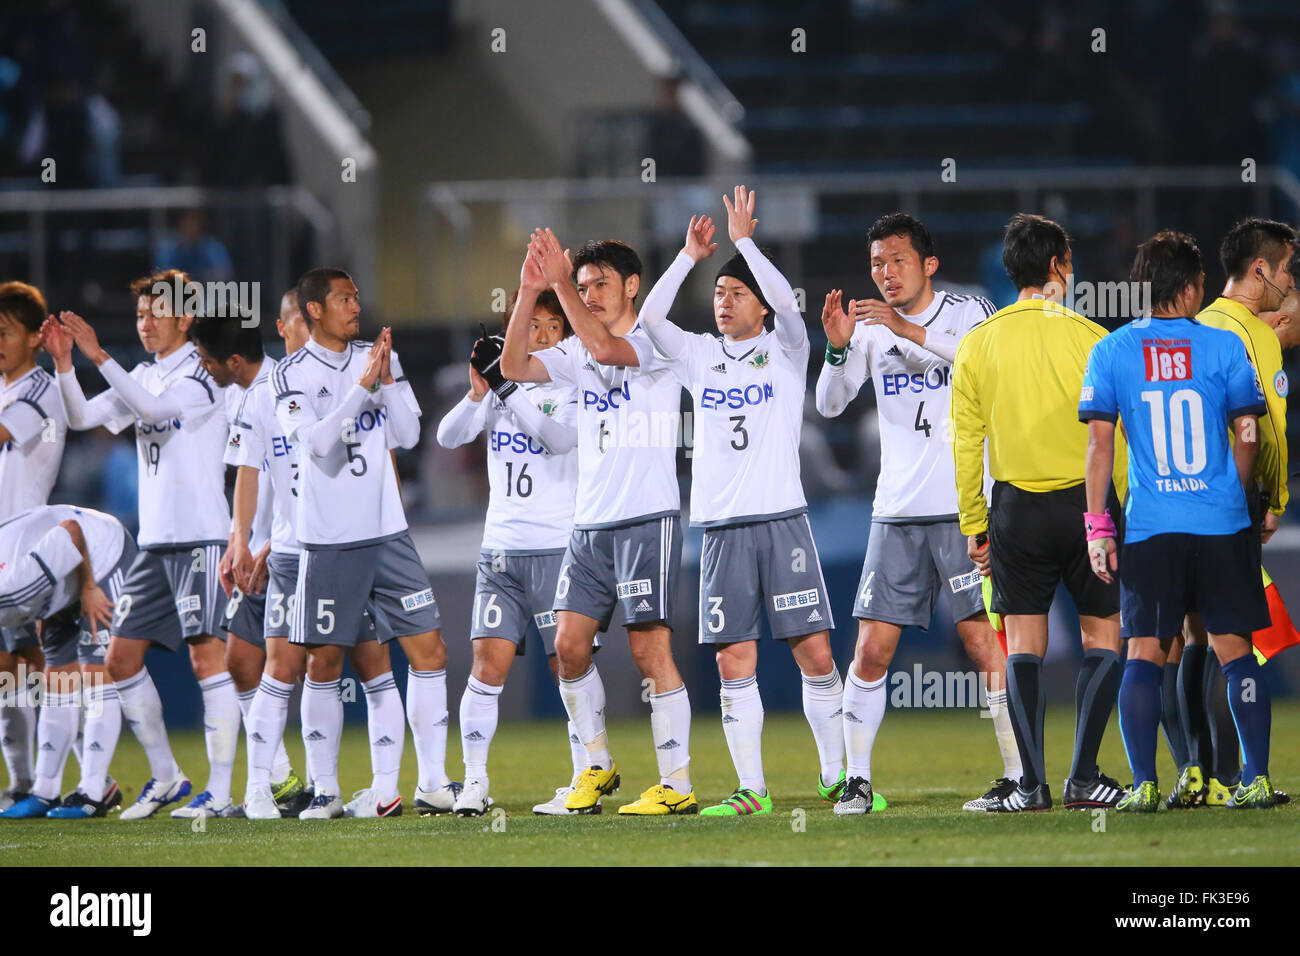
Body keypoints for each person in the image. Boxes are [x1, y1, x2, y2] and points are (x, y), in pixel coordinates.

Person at [631, 188, 842, 817]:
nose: (724, 303)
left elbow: (787, 302)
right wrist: (690, 257)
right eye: (719, 295)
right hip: (720, 530)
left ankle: (839, 776)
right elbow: (647, 323)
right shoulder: (698, 355)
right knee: (731, 658)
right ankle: (753, 789)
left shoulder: (786, 351)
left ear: (761, 308)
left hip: (783, 521)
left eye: (736, 294)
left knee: (816, 652)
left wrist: (745, 241)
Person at [815, 212, 1019, 813]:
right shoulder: (871, 328)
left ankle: (1016, 774)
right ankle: (858, 779)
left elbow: (988, 367)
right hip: (896, 512)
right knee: (871, 649)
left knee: (984, 644)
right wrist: (835, 348)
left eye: (896, 261)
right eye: (876, 263)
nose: (885, 273)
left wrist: (906, 327)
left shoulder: (969, 311)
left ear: (928, 264)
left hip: (965, 510)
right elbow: (830, 406)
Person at [500, 233, 695, 815]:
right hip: (590, 525)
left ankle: (677, 784)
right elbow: (511, 365)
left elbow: (609, 349)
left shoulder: (657, 340)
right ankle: (596, 767)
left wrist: (559, 282)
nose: (588, 295)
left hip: (646, 518)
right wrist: (530, 290)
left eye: (598, 284)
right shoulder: (577, 349)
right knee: (568, 648)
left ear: (632, 285)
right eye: (581, 287)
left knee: (648, 652)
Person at [1081, 229, 1275, 809]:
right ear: (1193, 289)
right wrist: (1233, 493)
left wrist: (1097, 527)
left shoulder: (1112, 351)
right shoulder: (1223, 347)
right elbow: (1249, 431)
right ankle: (1256, 777)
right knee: (1234, 649)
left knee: (1143, 652)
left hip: (1151, 527)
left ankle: (1143, 784)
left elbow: (1098, 448)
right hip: (1220, 523)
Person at [951, 214, 1129, 812]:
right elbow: (1115, 437)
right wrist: (1115, 513)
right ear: (1057, 267)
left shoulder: (980, 340)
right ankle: (1084, 777)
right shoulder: (1092, 339)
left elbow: (965, 441)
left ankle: (1031, 786)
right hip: (1086, 506)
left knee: (1022, 646)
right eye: (1069, 259)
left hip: (1016, 509)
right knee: (1104, 638)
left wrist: (974, 520)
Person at [46, 270, 236, 820]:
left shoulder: (203, 376)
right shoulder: (143, 375)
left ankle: (220, 792)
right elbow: (84, 417)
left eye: (155, 312)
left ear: (184, 318)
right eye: (139, 314)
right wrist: (65, 364)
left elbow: (153, 413)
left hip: (201, 536)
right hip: (154, 544)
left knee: (207, 661)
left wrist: (98, 354)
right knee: (121, 658)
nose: (145, 322)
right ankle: (167, 776)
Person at [273, 268, 450, 820]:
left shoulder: (379, 355)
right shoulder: (289, 375)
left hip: (388, 533)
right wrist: (361, 388)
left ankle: (432, 782)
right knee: (324, 663)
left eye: (355, 296)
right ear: (314, 312)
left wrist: (387, 381)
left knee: (430, 650)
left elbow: (409, 435)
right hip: (330, 542)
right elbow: (320, 444)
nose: (356, 306)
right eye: (344, 299)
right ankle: (325, 790)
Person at [437, 285, 591, 815]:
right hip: (500, 548)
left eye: (555, 327)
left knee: (566, 665)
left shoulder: (573, 379)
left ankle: (584, 779)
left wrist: (506, 389)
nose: (544, 336)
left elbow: (559, 440)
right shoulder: (503, 386)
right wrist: (481, 391)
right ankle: (474, 782)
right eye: (534, 326)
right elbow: (448, 436)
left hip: (557, 547)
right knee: (486, 663)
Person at [1169, 217, 1296, 807]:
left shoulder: (1193, 326)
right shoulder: (1252, 334)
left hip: (1174, 499)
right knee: (1236, 644)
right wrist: (1275, 499)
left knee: (1187, 639)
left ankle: (1197, 773)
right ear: (1262, 270)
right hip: (1232, 501)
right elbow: (1269, 428)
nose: (1289, 283)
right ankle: (1253, 776)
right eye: (1288, 270)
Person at [0, 505, 130, 818]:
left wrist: (87, 587)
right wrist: (43, 608)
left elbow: (73, 531)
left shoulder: (11, 586)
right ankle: (44, 792)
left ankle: (94, 793)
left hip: (104, 554)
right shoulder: (13, 587)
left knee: (96, 676)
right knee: (58, 683)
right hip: (59, 575)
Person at [0, 281, 65, 809]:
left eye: (4, 331)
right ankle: (24, 783)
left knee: (37, 667)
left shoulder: (39, 389)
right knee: (19, 671)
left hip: (27, 547)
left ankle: (62, 777)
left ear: (33, 339)